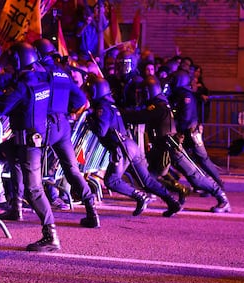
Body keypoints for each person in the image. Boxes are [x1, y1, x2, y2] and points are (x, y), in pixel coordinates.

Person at [0, 42, 61, 252]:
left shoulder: (22, 87)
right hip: (24, 141)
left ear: (19, 61)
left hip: (27, 144)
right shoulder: (40, 81)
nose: (8, 66)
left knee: (34, 190)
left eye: (11, 62)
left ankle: (51, 236)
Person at [124, 75, 230, 214]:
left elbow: (137, 117)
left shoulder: (157, 106)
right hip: (161, 149)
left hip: (171, 148)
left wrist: (118, 113)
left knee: (195, 178)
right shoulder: (159, 103)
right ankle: (173, 201)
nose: (142, 95)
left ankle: (223, 199)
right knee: (148, 178)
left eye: (144, 92)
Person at [82, 74, 182, 217]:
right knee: (146, 180)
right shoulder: (110, 105)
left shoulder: (102, 108)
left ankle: (139, 197)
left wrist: (89, 119)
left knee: (111, 180)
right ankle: (172, 202)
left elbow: (101, 131)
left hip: (121, 147)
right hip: (130, 145)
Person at [32, 38, 100, 228]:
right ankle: (91, 209)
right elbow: (80, 99)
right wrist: (65, 109)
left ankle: (16, 206)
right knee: (72, 169)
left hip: (45, 125)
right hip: (63, 125)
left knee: (24, 158)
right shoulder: (63, 73)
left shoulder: (40, 73)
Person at [168, 70, 226, 195]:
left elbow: (185, 117)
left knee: (203, 159)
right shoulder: (181, 94)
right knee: (192, 159)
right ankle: (206, 184)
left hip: (191, 132)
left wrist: (176, 127)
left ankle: (218, 184)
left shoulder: (185, 96)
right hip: (188, 131)